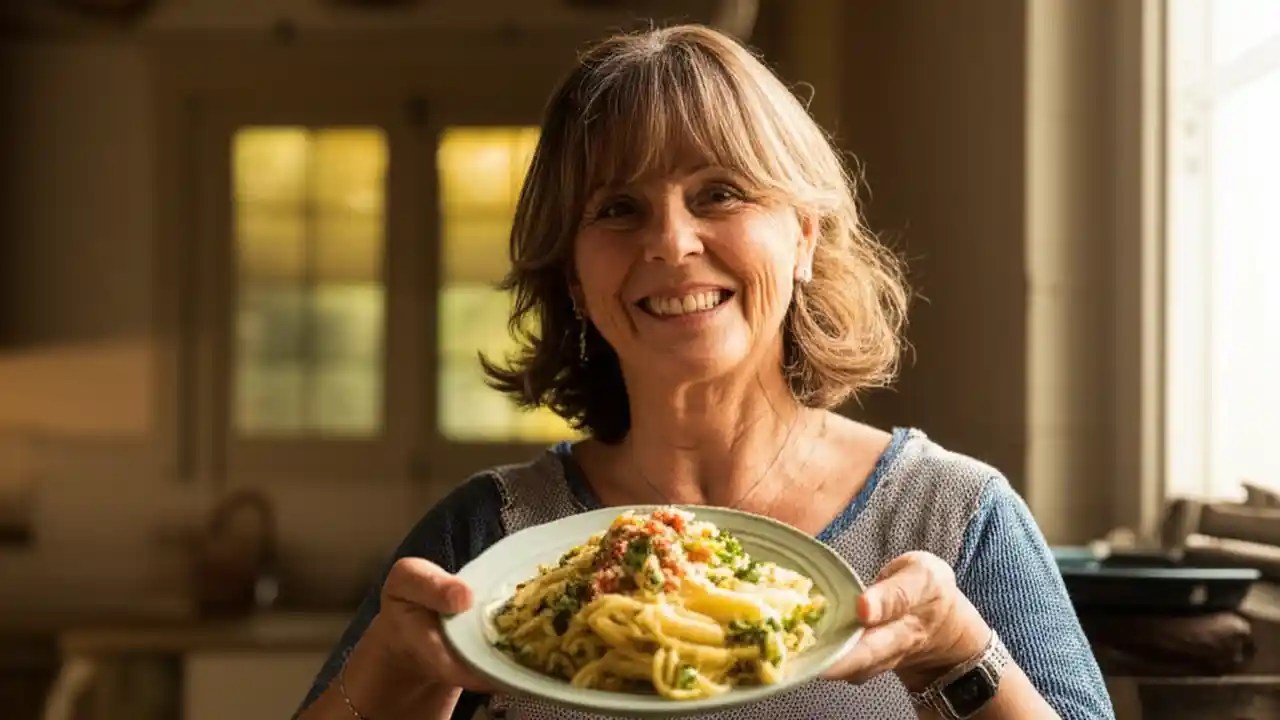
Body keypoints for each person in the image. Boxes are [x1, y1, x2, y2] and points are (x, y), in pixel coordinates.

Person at [296, 23, 1113, 720]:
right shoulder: (492, 539)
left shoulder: (953, 517)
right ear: (575, 279)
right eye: (618, 208)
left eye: (719, 193)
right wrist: (391, 675)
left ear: (803, 236)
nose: (671, 242)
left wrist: (958, 658)